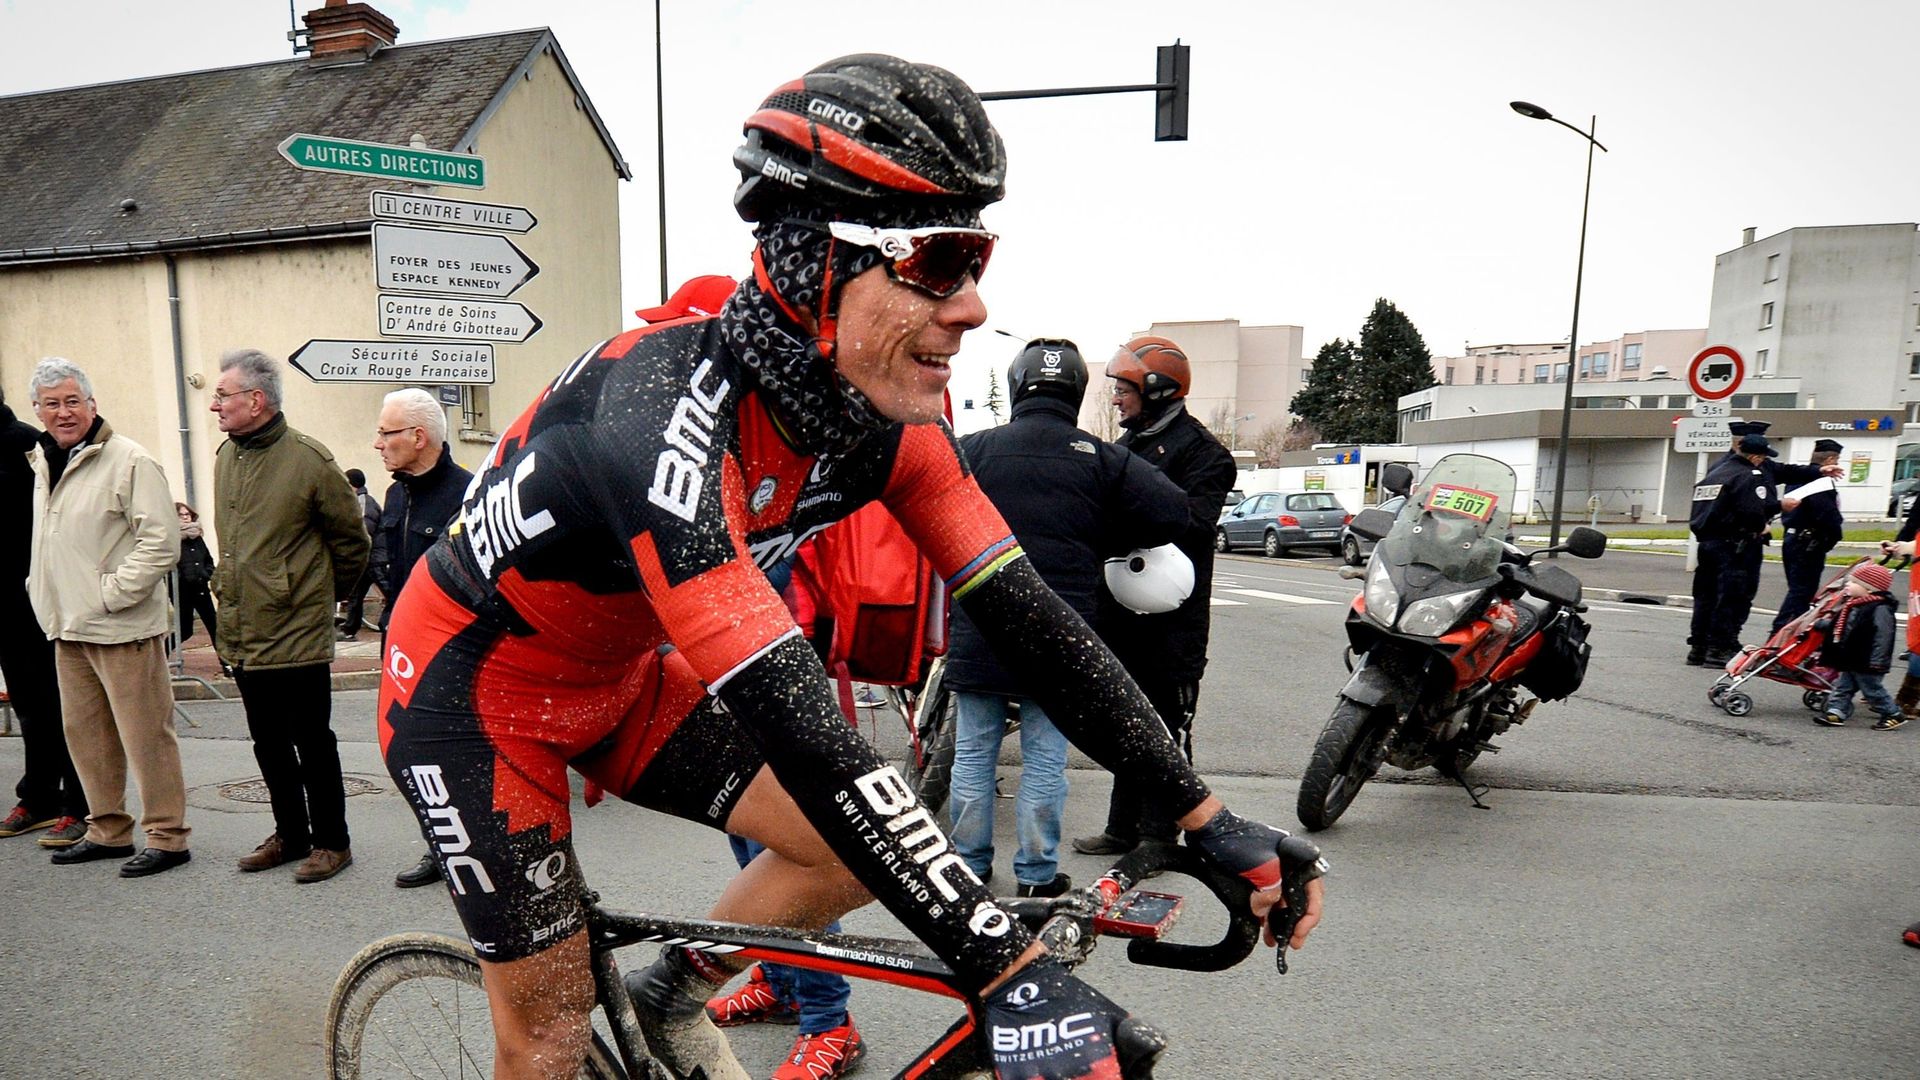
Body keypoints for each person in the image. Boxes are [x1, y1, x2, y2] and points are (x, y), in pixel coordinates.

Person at [378, 54, 1322, 1080]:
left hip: (618, 680)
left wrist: (1204, 815)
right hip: (471, 699)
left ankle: (669, 988)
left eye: (979, 260)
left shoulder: (883, 423)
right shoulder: (659, 425)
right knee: (551, 1033)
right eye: (939, 260)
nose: (972, 307)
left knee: (844, 853)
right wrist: (1007, 971)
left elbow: (1033, 621)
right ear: (812, 266)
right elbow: (814, 741)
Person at [947, 338, 1186, 898]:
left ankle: (968, 867)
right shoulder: (1100, 457)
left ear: (1017, 386)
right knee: (1045, 759)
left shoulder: (975, 449)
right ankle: (1035, 876)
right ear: (1076, 391)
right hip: (1061, 634)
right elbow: (1175, 512)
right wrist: (1102, 535)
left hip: (981, 624)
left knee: (973, 752)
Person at [210, 348, 370, 884]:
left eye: (222, 395)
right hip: (245, 628)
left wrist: (316, 598)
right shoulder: (227, 457)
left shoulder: (309, 460)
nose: (214, 405)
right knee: (269, 744)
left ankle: (332, 842)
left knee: (312, 742)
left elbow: (352, 543)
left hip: (296, 632)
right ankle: (291, 834)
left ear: (256, 400)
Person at [1075, 335, 1238, 857]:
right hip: (1119, 613)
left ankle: (1160, 835)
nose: (1115, 399)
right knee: (1127, 721)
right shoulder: (1124, 448)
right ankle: (1122, 829)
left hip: (1172, 622)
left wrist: (1127, 514)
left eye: (1124, 390)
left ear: (1158, 390)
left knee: (1167, 727)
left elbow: (1195, 523)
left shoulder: (1205, 453)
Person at [27, 358, 191, 876]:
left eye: (72, 401)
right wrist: (40, 592)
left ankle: (167, 837)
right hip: (67, 625)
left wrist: (112, 593)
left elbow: (161, 542)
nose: (63, 412)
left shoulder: (129, 459)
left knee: (147, 737)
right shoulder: (44, 461)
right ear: (38, 411)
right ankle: (108, 829)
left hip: (123, 626)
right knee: (87, 737)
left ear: (92, 404)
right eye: (52, 404)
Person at [369, 387, 474, 890]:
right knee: (413, 751)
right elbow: (386, 560)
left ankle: (467, 846)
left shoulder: (469, 493)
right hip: (402, 642)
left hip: (451, 647)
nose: (377, 444)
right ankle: (440, 844)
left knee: (455, 751)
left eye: (385, 433)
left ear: (418, 436)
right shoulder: (396, 494)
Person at [0, 383, 87, 848]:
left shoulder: (26, 443)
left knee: (62, 705)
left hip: (38, 600)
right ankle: (38, 797)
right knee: (30, 708)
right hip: (5, 607)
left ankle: (78, 803)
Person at [1686, 432, 1835, 667]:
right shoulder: (1747, 475)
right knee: (1734, 597)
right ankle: (1720, 648)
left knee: (1706, 597)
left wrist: (1817, 471)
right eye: (1764, 458)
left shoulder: (1717, 472)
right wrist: (1778, 507)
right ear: (1756, 457)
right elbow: (1751, 510)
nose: (1764, 462)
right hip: (1736, 546)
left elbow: (1783, 471)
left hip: (1708, 544)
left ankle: (1699, 647)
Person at [1810, 563, 1901, 729]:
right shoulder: (1854, 605)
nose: (1848, 585)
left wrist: (1877, 661)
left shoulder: (1880, 608)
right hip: (1851, 657)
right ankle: (1836, 712)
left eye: (1853, 582)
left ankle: (1892, 713)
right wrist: (1824, 625)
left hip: (1868, 660)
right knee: (1842, 687)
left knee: (1871, 690)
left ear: (1869, 589)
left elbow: (1883, 636)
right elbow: (1845, 627)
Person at [1771, 439, 1846, 631]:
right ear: (1830, 460)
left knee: (1797, 589)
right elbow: (1828, 515)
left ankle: (1792, 632)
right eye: (1837, 460)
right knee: (1802, 591)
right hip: (1809, 542)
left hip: (1792, 538)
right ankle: (1781, 632)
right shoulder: (1820, 482)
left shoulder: (1797, 478)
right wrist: (1833, 538)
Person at [336, 468, 384, 639]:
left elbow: (363, 531)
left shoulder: (363, 503)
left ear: (352, 485)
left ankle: (390, 624)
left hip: (374, 558)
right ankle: (349, 630)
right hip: (367, 558)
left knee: (391, 593)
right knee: (356, 595)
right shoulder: (358, 500)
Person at [173, 502, 218, 644]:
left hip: (200, 588)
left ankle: (225, 658)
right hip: (182, 592)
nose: (185, 517)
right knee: (185, 630)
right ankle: (162, 652)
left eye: (188, 514)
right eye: (181, 515)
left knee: (215, 628)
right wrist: (181, 580)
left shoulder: (197, 537)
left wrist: (206, 574)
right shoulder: (171, 539)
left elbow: (208, 560)